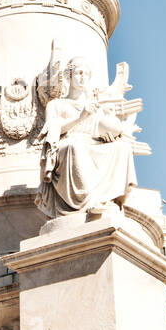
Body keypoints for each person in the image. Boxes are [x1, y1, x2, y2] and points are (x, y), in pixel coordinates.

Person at [37, 57, 137, 220]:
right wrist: (81, 117)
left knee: (122, 148)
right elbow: (53, 130)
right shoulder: (56, 105)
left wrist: (109, 130)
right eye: (78, 73)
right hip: (67, 143)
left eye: (86, 73)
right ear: (69, 76)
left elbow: (106, 126)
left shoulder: (94, 106)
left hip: (92, 143)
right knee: (74, 147)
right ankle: (90, 202)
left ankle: (109, 201)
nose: (82, 77)